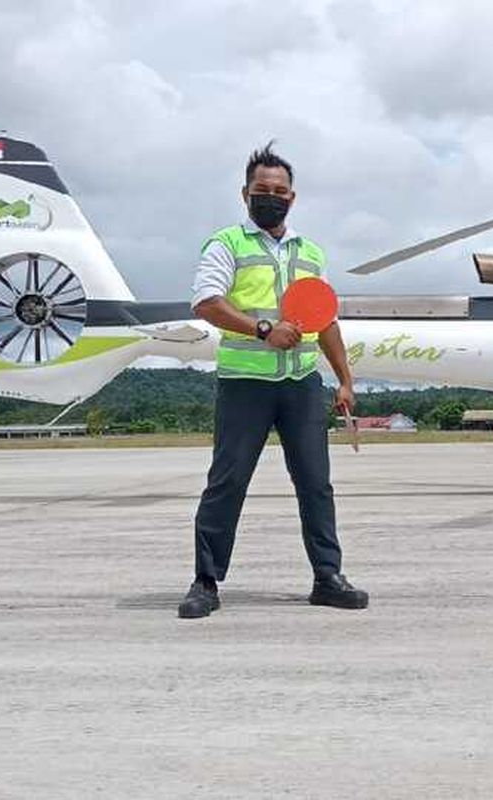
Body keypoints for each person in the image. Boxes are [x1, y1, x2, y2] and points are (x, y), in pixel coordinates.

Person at [178, 143, 367, 619]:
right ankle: (205, 580)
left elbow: (325, 319)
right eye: (262, 190)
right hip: (246, 381)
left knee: (315, 484)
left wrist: (344, 379)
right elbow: (206, 302)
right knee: (228, 482)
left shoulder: (310, 253)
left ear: (293, 198)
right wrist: (263, 329)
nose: (271, 197)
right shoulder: (227, 244)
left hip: (302, 384)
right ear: (245, 195)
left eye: (279, 191)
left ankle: (328, 577)